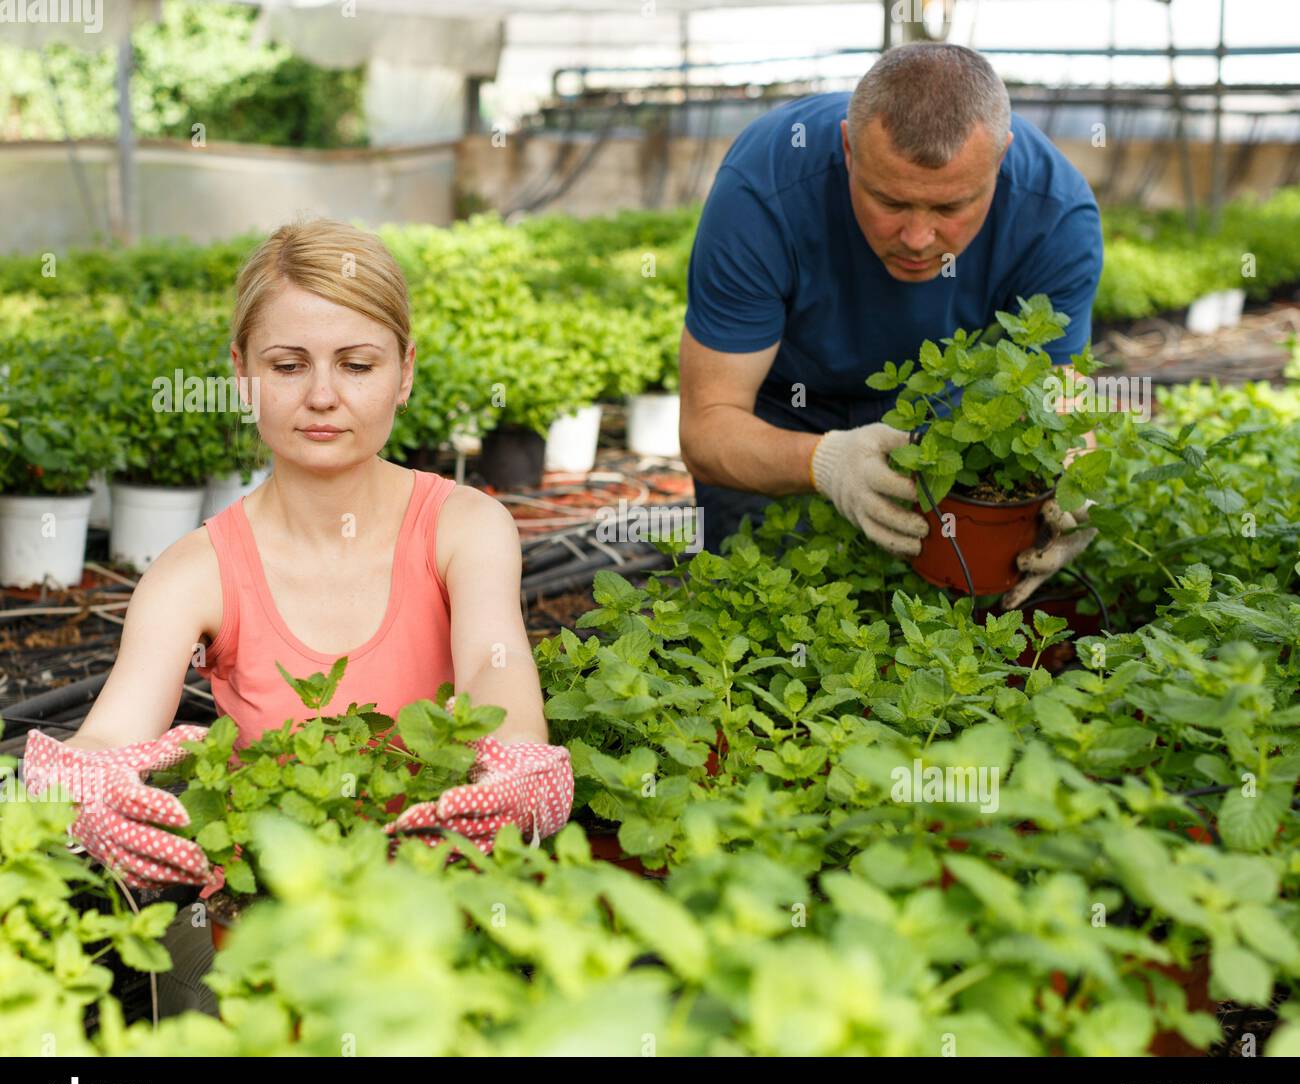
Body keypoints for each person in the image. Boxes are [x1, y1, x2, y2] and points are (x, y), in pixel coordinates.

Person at [19, 219, 575, 1014]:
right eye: (288, 364)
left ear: (406, 372)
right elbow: (112, 729)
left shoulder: (463, 525)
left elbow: (496, 664)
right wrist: (81, 780)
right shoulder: (195, 569)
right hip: (268, 919)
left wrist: (519, 761)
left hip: (443, 897)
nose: (322, 395)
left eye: (358, 364)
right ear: (242, 374)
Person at [679, 42, 1103, 607]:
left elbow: (1060, 390)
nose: (917, 239)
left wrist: (1073, 485)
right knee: (760, 614)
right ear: (849, 148)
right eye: (890, 201)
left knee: (941, 626)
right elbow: (708, 426)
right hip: (782, 415)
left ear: (1001, 157)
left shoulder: (1055, 212)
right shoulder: (764, 188)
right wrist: (824, 462)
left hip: (940, 425)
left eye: (951, 208)